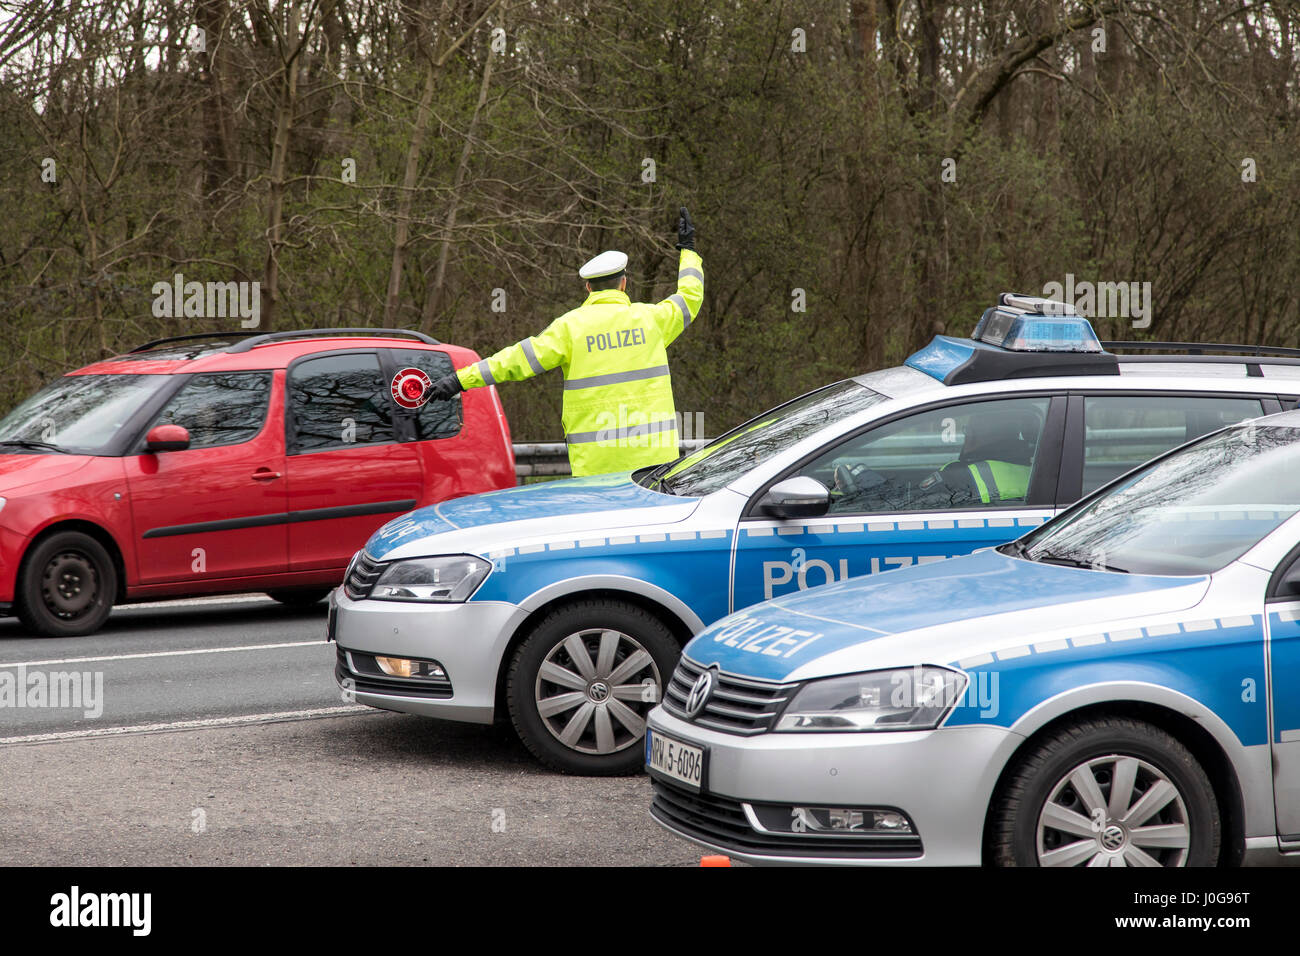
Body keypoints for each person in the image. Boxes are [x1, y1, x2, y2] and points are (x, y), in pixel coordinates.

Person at [427, 207, 703, 477]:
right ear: (623, 283)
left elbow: (513, 362)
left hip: (596, 468)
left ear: (588, 287)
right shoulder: (652, 319)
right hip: (653, 467)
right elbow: (690, 296)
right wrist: (688, 250)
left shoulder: (570, 328)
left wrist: (459, 380)